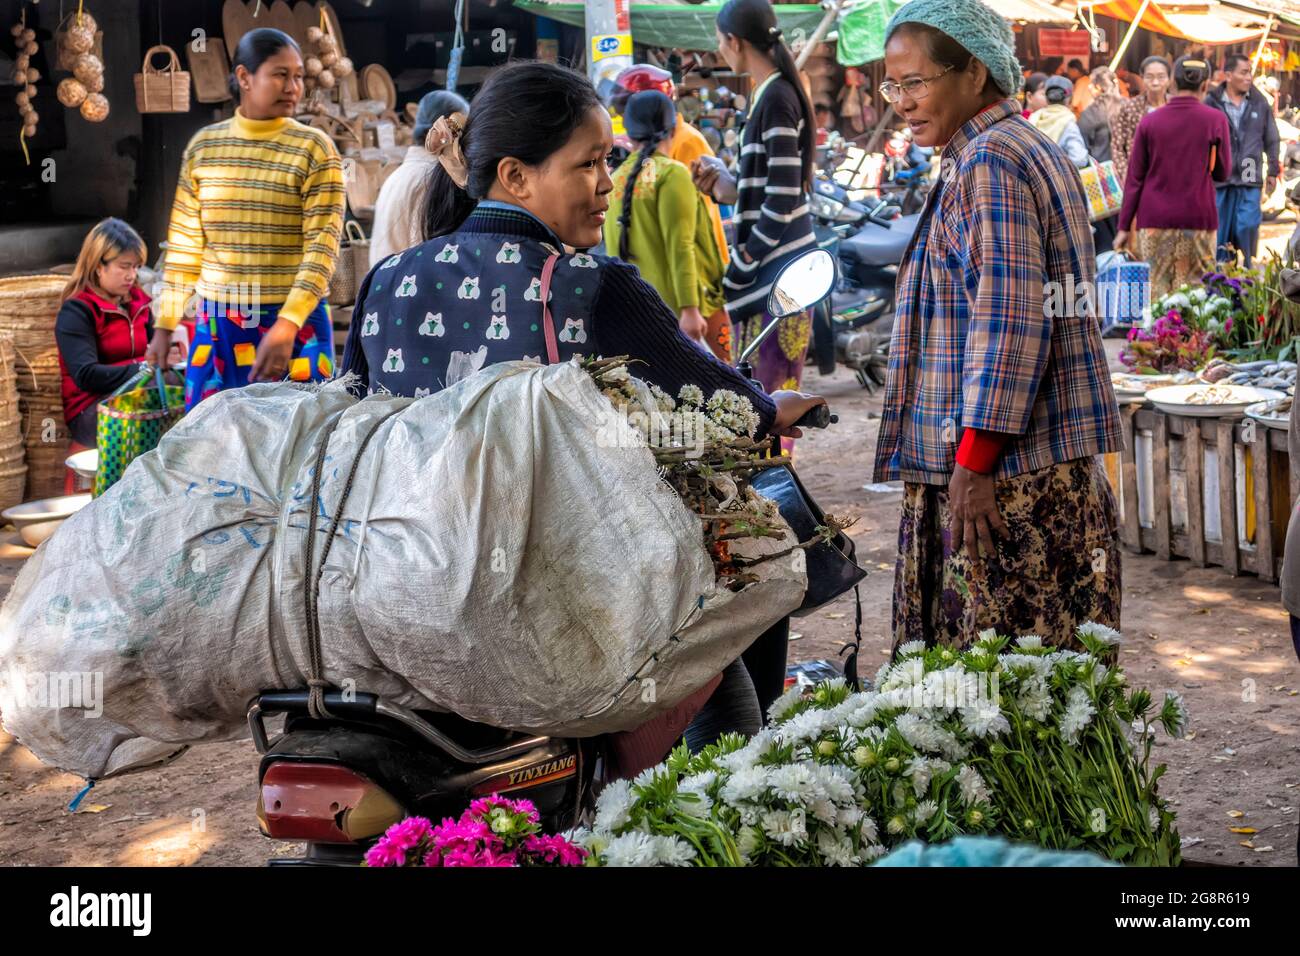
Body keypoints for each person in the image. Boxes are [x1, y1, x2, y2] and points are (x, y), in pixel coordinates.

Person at [338, 61, 825, 757]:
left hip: (400, 589)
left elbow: (351, 416)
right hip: (552, 594)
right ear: (516, 176)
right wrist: (772, 407)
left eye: (608, 161)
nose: (605, 183)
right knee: (734, 686)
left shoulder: (388, 278)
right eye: (588, 164)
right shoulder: (587, 284)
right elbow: (727, 407)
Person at [875, 0, 1124, 651]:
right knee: (1049, 690)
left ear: (975, 73)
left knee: (997, 690)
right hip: (1035, 467)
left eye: (916, 82)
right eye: (892, 84)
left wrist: (975, 462)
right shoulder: (1021, 147)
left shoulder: (990, 161)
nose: (901, 100)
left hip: (1008, 478)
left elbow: (1009, 320)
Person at [147, 28, 345, 411]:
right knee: (213, 442)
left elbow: (322, 247)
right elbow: (186, 241)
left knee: (299, 446)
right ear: (243, 77)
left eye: (299, 76)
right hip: (220, 321)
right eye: (280, 74)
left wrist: (287, 324)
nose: (294, 87)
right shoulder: (204, 147)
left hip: (295, 324)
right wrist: (165, 323)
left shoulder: (315, 150)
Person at [693, 0, 819, 441]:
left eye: (719, 41)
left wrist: (744, 258)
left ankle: (777, 503)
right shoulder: (768, 95)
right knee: (760, 408)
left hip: (778, 281)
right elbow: (767, 188)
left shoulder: (777, 97)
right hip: (770, 280)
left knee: (772, 412)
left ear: (734, 42)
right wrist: (725, 183)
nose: (720, 49)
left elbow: (783, 197)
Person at [614, 64, 732, 361]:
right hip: (688, 297)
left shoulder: (618, 178)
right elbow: (682, 244)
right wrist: (690, 309)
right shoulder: (670, 172)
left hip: (643, 306)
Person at [1115, 57, 1231, 299]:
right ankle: (1193, 338)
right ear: (1204, 85)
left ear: (1173, 83)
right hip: (1198, 217)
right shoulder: (1215, 120)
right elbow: (1222, 172)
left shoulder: (1150, 122)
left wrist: (1124, 226)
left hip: (1155, 217)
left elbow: (1134, 179)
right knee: (1197, 294)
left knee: (1157, 291)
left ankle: (1158, 337)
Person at [55, 218, 153, 449]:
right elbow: (86, 374)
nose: (132, 275)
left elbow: (156, 348)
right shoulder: (78, 310)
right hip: (89, 411)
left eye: (136, 267)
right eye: (124, 266)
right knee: (161, 386)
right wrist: (144, 369)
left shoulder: (138, 303)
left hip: (136, 394)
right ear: (99, 266)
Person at [370, 90, 470, 266]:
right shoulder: (432, 179)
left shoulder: (396, 176)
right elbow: (426, 258)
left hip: (385, 287)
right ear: (443, 133)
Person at [1205, 54, 1281, 269]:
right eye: (1243, 72)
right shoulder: (1212, 102)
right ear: (1228, 75)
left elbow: (1272, 138)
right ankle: (1222, 286)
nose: (1249, 78)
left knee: (1247, 226)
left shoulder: (1259, 102)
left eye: (1250, 73)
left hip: (1249, 176)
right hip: (1220, 179)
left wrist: (1273, 170)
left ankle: (1246, 271)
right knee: (1221, 236)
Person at [1078, 67, 1126, 252]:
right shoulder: (1127, 106)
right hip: (1127, 177)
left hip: (1101, 181)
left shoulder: (1091, 113)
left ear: (1097, 87)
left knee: (1105, 237)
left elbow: (1083, 148)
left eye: (1091, 85)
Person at [1112, 56, 1170, 185]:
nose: (1155, 82)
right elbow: (1117, 147)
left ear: (1169, 80)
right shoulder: (1129, 108)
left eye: (1161, 77)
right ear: (1142, 78)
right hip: (1139, 179)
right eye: (1149, 77)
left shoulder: (1176, 107)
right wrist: (1128, 177)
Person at [1027, 75, 1090, 167]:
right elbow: (1079, 160)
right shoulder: (1068, 123)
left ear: (1047, 99)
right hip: (1058, 179)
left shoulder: (1033, 119)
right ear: (1070, 100)